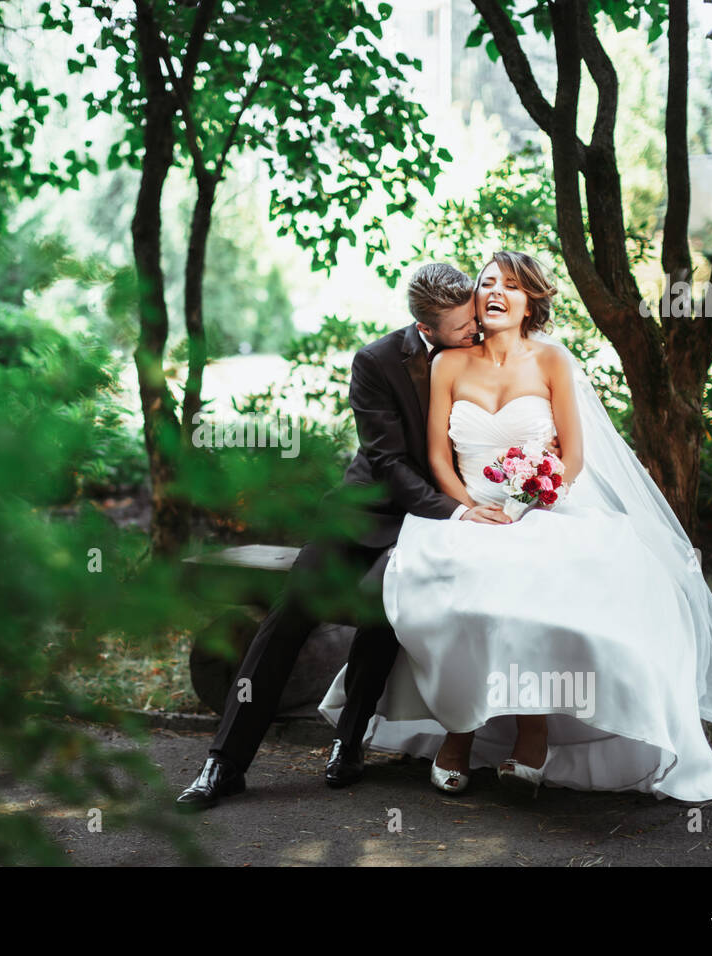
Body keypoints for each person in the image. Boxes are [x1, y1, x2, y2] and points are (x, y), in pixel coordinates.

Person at [318, 251, 712, 802]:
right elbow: (437, 458)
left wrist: (527, 503)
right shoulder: (448, 365)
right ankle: (460, 730)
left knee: (533, 592)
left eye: (512, 285)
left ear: (531, 302)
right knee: (461, 594)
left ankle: (535, 730)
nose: (497, 291)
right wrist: (469, 508)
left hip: (542, 508)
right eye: (487, 283)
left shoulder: (552, 361)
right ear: (474, 300)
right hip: (470, 508)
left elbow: (571, 457)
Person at [176, 262, 513, 811]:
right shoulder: (377, 362)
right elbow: (388, 463)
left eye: (475, 316)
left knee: (386, 606)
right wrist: (455, 512)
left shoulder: (488, 347)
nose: (475, 329)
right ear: (427, 329)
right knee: (289, 614)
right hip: (370, 507)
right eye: (461, 327)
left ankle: (350, 740)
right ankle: (224, 762)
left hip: (434, 522)